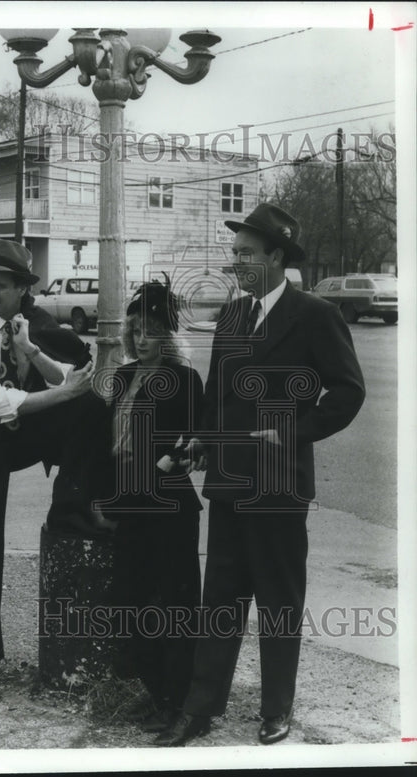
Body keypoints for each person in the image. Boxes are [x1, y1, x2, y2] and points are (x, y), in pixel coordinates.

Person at [157, 203, 366, 746]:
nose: (236, 262)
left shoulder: (315, 315)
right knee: (220, 601)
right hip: (228, 483)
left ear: (276, 256)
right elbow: (217, 396)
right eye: (234, 253)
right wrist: (201, 440)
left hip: (279, 487)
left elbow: (347, 392)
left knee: (278, 602)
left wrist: (293, 430)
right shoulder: (232, 316)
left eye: (246, 253)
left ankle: (277, 709)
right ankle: (200, 708)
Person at [0, 239, 106, 703]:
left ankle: (73, 507)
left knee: (89, 408)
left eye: (0, 286)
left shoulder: (25, 324)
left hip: (13, 432)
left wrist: (31, 351)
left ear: (20, 291)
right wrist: (63, 395)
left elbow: (64, 378)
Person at [100, 278, 204, 733]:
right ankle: (157, 690)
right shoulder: (122, 376)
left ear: (168, 334)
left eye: (152, 331)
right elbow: (104, 441)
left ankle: (180, 703)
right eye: (136, 330)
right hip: (129, 503)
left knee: (175, 607)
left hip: (168, 508)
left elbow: (186, 445)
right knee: (132, 600)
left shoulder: (183, 378)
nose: (142, 340)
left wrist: (159, 468)